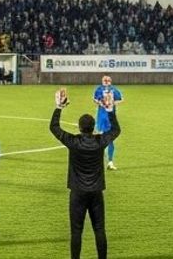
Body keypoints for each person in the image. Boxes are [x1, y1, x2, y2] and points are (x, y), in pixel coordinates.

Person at [50, 87, 120, 259]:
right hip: (96, 192)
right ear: (93, 127)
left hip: (77, 192)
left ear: (80, 127)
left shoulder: (73, 142)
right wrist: (110, 110)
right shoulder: (99, 141)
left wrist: (59, 107)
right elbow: (115, 131)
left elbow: (54, 127)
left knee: (76, 231)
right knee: (99, 229)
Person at [92, 75, 123, 169]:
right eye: (104, 80)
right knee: (101, 138)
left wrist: (112, 103)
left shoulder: (114, 90)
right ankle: (98, 161)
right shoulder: (99, 89)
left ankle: (110, 161)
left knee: (110, 139)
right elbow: (95, 99)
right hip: (101, 116)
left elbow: (121, 99)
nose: (106, 81)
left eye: (107, 80)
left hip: (110, 116)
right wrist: (101, 103)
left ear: (110, 81)